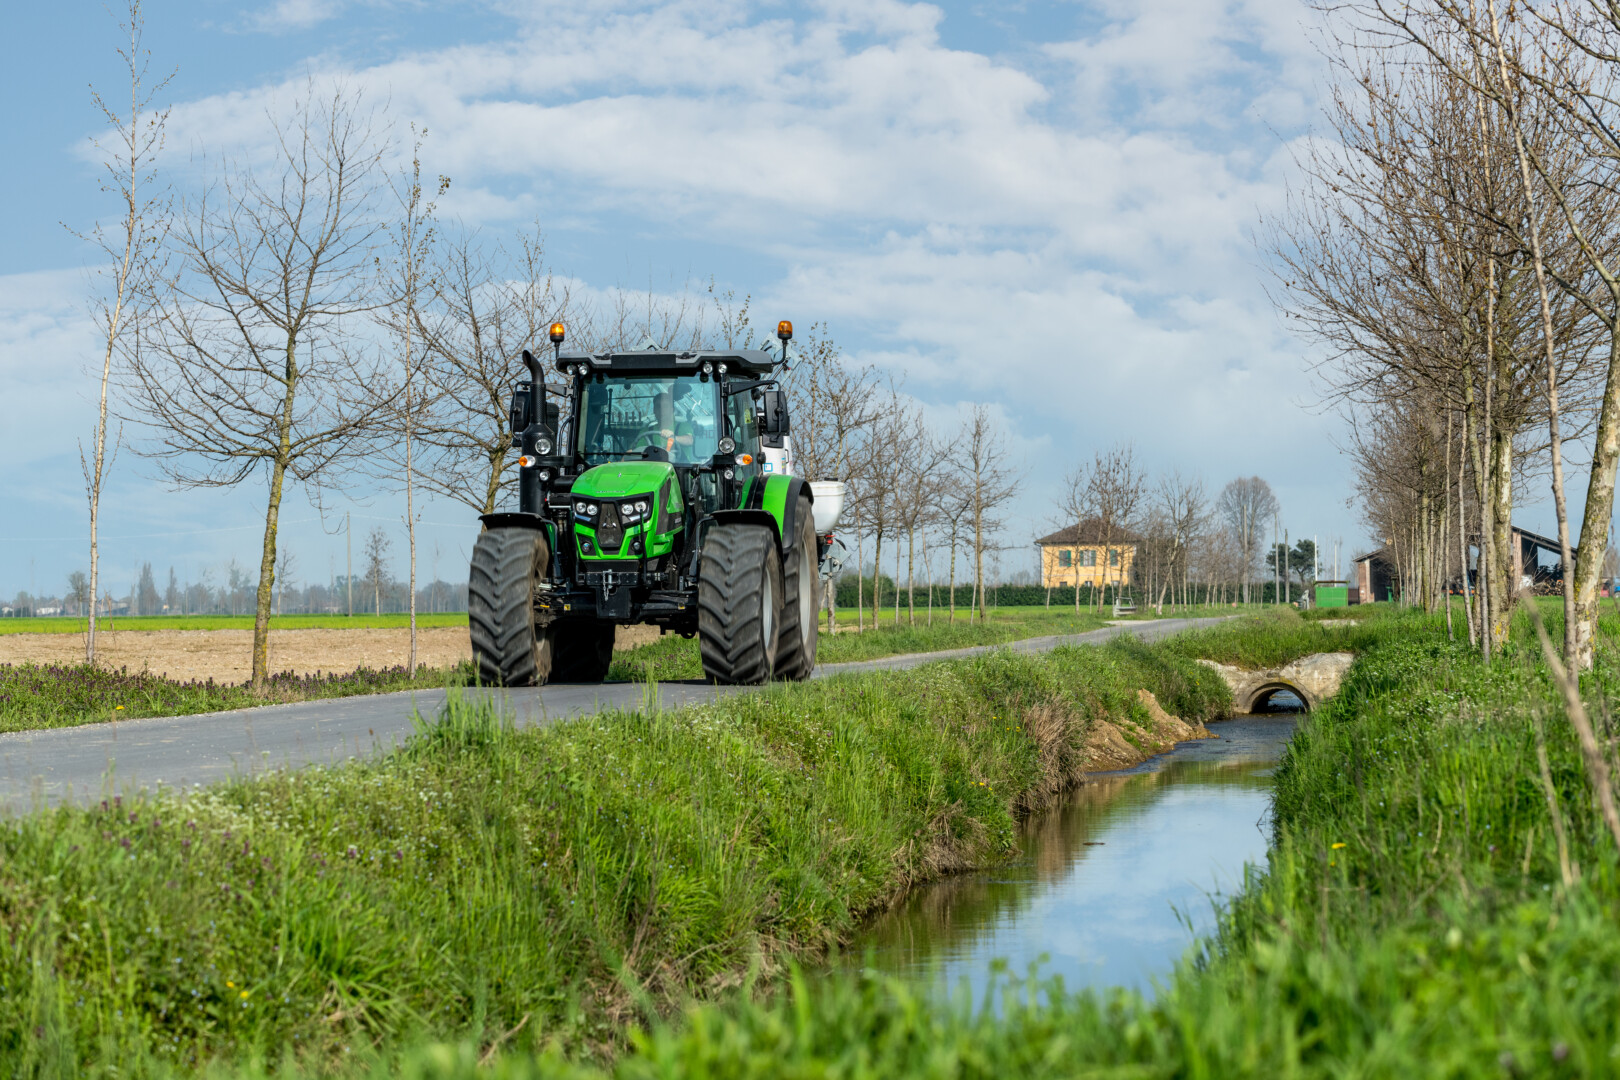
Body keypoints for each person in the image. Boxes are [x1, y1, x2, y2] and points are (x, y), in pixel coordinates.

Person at [633, 391, 694, 457]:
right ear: (654, 410)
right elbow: (636, 452)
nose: (661, 409)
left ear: (672, 410)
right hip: (653, 467)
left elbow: (689, 440)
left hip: (680, 467)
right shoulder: (647, 431)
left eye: (665, 406)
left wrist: (673, 437)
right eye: (658, 406)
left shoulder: (683, 426)